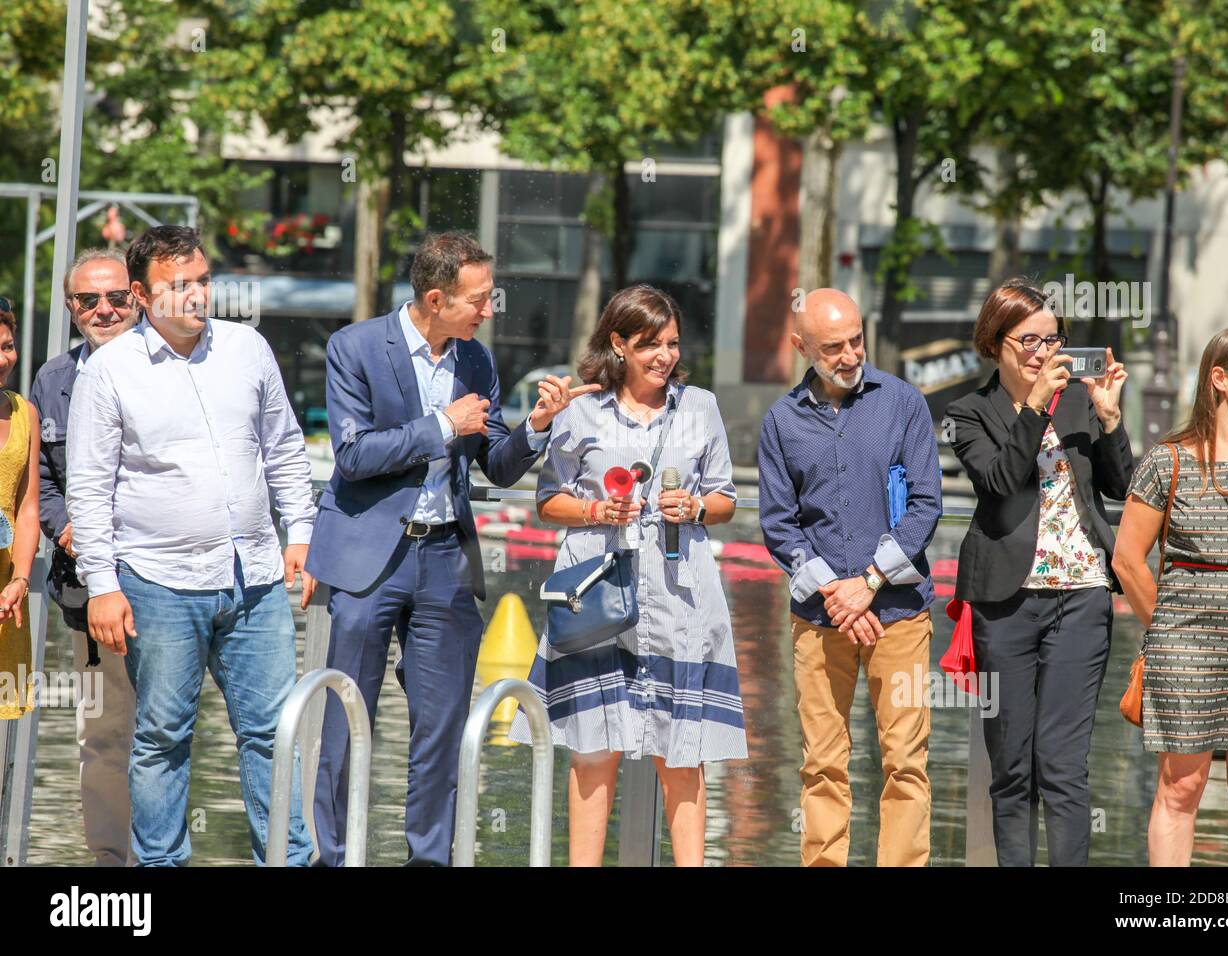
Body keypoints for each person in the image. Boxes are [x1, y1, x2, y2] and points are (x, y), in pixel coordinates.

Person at [307, 231, 593, 867]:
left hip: (445, 560)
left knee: (441, 727)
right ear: (436, 298)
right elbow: (352, 457)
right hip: (365, 561)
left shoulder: (476, 360)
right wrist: (440, 425)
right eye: (480, 299)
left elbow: (496, 464)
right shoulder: (353, 348)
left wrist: (536, 427)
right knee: (342, 723)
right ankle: (331, 859)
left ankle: (430, 860)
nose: (490, 311)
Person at [65, 225, 317, 866]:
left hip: (255, 575)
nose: (196, 295)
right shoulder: (108, 369)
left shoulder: (247, 348)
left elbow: (285, 449)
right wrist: (103, 586)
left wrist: (303, 533)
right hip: (157, 579)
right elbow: (89, 489)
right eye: (178, 286)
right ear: (142, 297)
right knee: (161, 737)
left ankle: (286, 862)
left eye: (202, 281)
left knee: (271, 734)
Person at [509, 284, 746, 867]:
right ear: (617, 344)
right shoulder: (582, 408)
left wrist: (692, 508)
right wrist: (596, 510)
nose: (664, 357)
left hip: (680, 593)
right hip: (597, 591)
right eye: (649, 345)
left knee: (683, 754)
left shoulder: (701, 407)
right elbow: (548, 501)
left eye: (671, 344)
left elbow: (725, 499)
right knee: (593, 751)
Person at [946, 278, 1133, 866]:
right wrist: (1031, 408)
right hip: (1006, 601)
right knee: (1012, 765)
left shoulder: (1078, 398)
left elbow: (1122, 486)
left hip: (1081, 595)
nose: (1041, 352)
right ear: (994, 341)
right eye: (1028, 340)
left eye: (1051, 340)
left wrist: (1109, 422)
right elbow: (999, 483)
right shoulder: (968, 412)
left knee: (1063, 763)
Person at [758, 288, 941, 867]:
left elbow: (926, 504)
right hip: (819, 618)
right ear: (800, 347)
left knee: (906, 762)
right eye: (833, 346)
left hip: (900, 613)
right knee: (822, 762)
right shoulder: (781, 422)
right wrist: (839, 594)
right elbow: (779, 526)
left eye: (856, 339)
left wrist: (868, 583)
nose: (849, 354)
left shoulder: (903, 403)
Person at [1114, 325, 1228, 867]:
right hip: (1184, 647)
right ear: (1219, 378)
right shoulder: (1167, 462)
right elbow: (1128, 559)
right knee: (1181, 787)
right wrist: (1169, 627)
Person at [30, 248, 141, 865]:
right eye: (87, 300)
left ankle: (160, 857)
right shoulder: (53, 380)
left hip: (170, 582)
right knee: (100, 735)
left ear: (138, 299)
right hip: (89, 592)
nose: (103, 310)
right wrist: (69, 528)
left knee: (168, 729)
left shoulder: (170, 366)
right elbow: (41, 482)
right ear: (71, 307)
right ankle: (111, 867)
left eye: (116, 298)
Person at [0, 294, 40, 722]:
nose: (2, 359)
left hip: (5, 592)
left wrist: (21, 579)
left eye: (8, 346)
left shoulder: (24, 413)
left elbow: (28, 508)